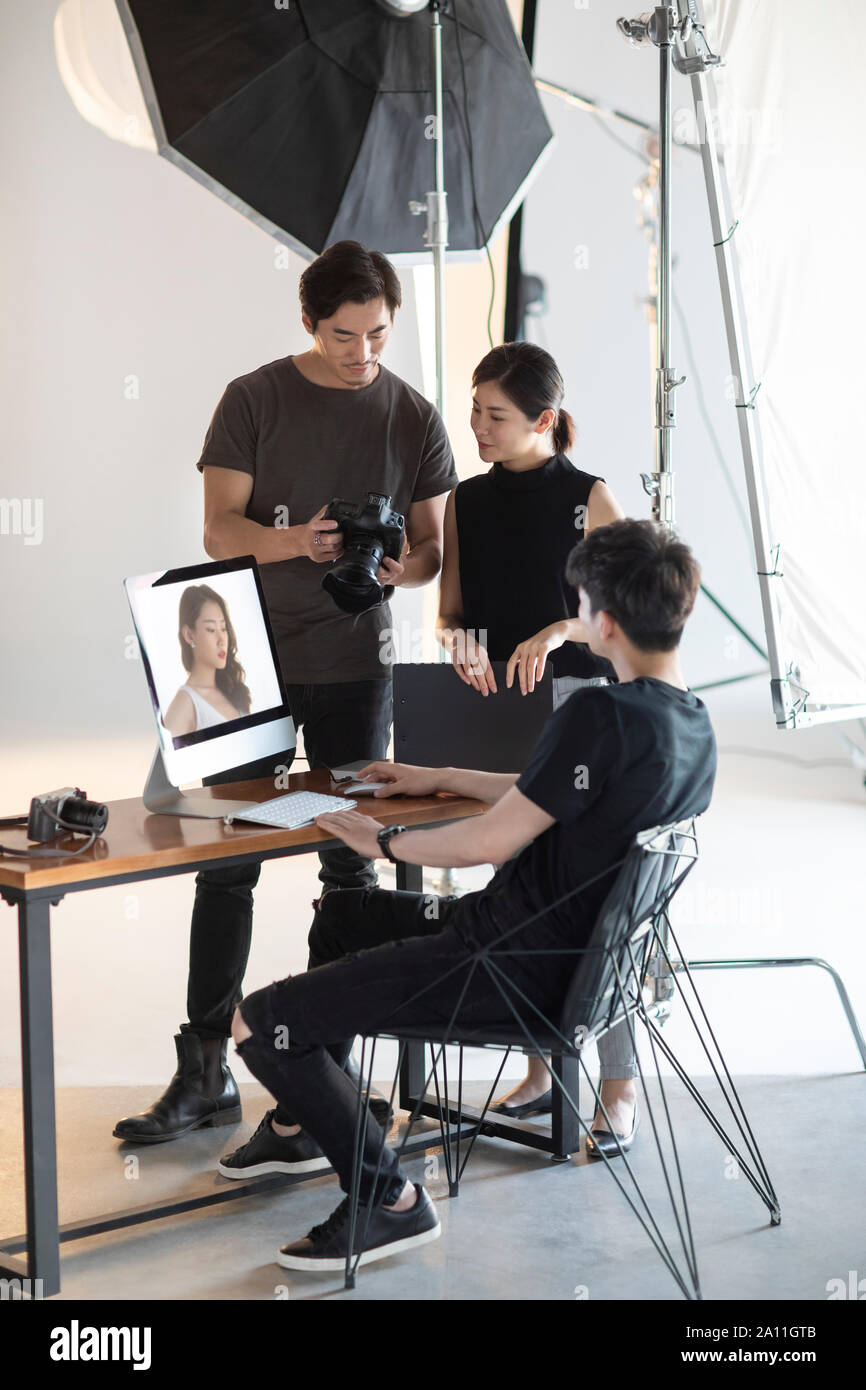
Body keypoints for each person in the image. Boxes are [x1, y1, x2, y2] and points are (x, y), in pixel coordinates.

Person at [229, 518, 718, 1271]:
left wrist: (381, 842)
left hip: (499, 967)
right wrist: (439, 776)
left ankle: (388, 1199)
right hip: (566, 965)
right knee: (343, 917)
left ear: (606, 622)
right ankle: (312, 1123)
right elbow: (546, 795)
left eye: (581, 603)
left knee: (260, 1025)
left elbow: (492, 840)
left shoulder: (599, 713)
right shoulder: (689, 726)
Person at [114, 240, 458, 1145]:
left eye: (379, 335)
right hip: (244, 664)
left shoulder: (415, 415)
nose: (364, 355)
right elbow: (218, 527)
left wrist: (392, 568)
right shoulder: (254, 397)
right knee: (225, 862)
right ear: (309, 322)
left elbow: (431, 552)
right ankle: (203, 1072)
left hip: (358, 660)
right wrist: (294, 542)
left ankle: (323, 1075)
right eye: (346, 336)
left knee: (349, 861)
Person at [436, 341, 632, 1136]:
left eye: (496, 416)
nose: (477, 428)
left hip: (589, 712)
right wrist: (459, 639)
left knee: (606, 901)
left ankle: (617, 1093)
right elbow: (449, 608)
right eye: (474, 411)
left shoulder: (591, 498)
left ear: (544, 420)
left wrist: (560, 627)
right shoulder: (465, 501)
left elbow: (630, 617)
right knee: (520, 891)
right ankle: (541, 1069)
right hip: (504, 713)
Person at [163, 585, 251, 735]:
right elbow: (169, 757)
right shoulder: (186, 703)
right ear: (189, 635)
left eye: (223, 629)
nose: (221, 640)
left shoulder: (230, 688)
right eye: (211, 629)